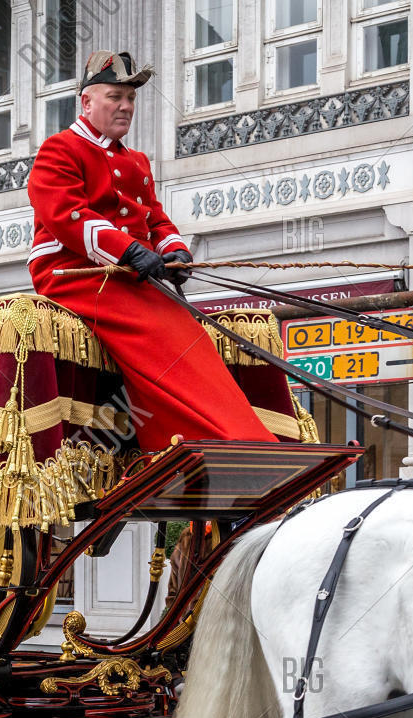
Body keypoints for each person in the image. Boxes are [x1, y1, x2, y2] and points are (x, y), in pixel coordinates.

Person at [27, 51, 275, 449]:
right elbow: (68, 216)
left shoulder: (136, 161)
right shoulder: (60, 149)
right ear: (87, 102)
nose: (125, 106)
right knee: (162, 330)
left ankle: (236, 436)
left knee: (191, 330)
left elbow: (155, 220)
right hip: (74, 274)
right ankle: (196, 442)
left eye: (131, 99)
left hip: (130, 274)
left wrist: (175, 252)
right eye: (115, 97)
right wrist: (128, 252)